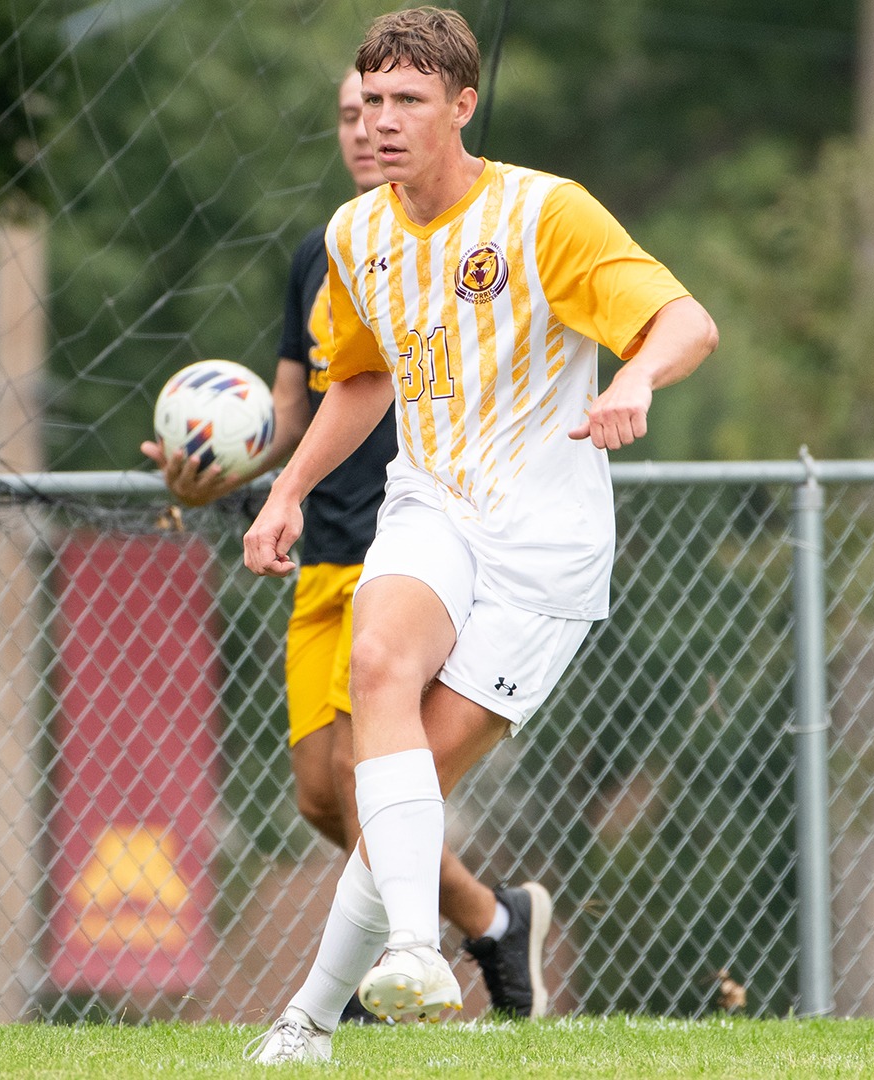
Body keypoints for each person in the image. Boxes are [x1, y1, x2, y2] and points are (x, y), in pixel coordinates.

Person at [241, 7, 718, 1064]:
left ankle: (308, 1021)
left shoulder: (547, 213)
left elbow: (688, 322)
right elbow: (359, 376)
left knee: (396, 808)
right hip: (432, 508)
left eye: (410, 100)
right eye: (371, 101)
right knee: (377, 666)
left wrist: (635, 376)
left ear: (463, 106)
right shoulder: (354, 236)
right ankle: (416, 945)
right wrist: (288, 491)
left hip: (543, 552)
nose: (384, 121)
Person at [139, 66, 553, 1023]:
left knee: (376, 782)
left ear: (444, 112)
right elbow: (294, 410)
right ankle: (493, 921)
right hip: (321, 546)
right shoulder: (325, 250)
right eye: (352, 113)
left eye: (392, 108)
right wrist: (221, 467)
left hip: (412, 545)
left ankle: (376, 968)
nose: (369, 128)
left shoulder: (470, 238)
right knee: (322, 801)